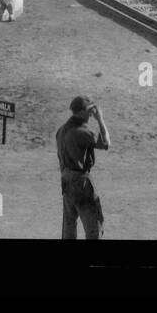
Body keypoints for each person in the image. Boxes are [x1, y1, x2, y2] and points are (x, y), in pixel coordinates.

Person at [56, 96, 110, 240]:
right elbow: (106, 143)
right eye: (88, 111)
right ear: (79, 112)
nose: (91, 114)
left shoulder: (61, 130)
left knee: (69, 227)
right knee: (94, 229)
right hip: (81, 182)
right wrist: (100, 119)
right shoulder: (81, 132)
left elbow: (60, 159)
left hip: (66, 181)